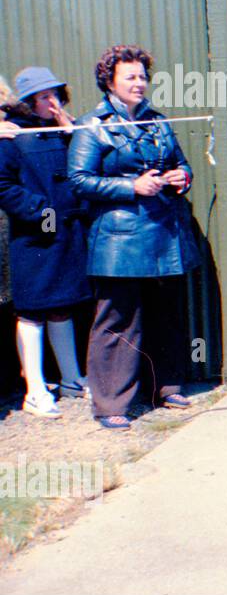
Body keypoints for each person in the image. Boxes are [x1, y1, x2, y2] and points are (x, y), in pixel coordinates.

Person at [68, 45, 201, 430]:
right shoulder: (92, 125)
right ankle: (111, 404)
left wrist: (181, 178)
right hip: (119, 242)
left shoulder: (158, 122)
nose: (139, 83)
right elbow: (79, 180)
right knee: (118, 321)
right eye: (131, 76)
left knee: (166, 314)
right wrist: (131, 187)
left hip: (164, 235)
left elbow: (182, 163)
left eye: (143, 76)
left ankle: (166, 386)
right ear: (109, 81)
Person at [0, 67, 92, 417]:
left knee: (62, 305)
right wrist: (43, 214)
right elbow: (4, 186)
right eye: (43, 96)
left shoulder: (62, 131)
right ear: (26, 102)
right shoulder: (10, 137)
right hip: (34, 236)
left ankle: (71, 379)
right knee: (32, 311)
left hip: (66, 232)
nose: (51, 101)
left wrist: (72, 134)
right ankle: (35, 390)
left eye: (55, 93)